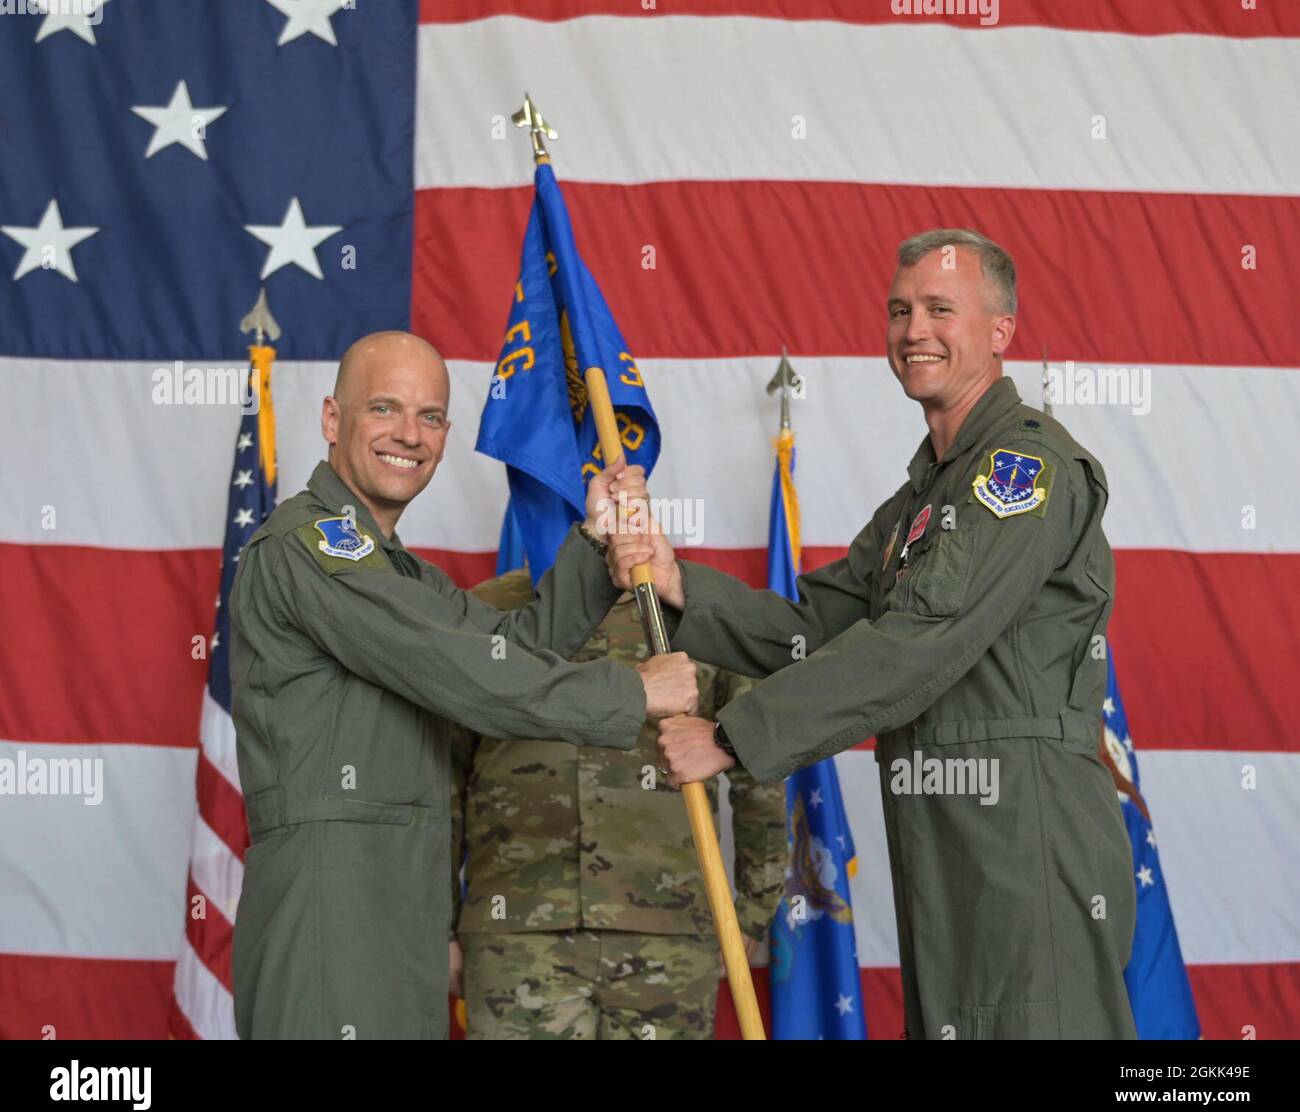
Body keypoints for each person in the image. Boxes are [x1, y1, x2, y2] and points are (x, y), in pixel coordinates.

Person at [612, 230, 1138, 1040]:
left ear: (1001, 331)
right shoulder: (919, 502)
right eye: (900, 310)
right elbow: (810, 628)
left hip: (1026, 827)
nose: (913, 330)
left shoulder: (1023, 471)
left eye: (939, 309)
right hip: (944, 831)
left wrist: (733, 734)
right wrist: (680, 582)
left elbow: (923, 638)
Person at [229, 331, 697, 1040]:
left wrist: (596, 539)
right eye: (384, 408)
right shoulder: (313, 546)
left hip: (398, 905)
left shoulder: (398, 573)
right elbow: (472, 675)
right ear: (332, 419)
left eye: (430, 416)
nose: (408, 435)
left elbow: (509, 647)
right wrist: (634, 693)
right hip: (331, 903)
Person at [448, 569, 788, 1040]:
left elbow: (756, 766)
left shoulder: (703, 610)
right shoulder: (487, 609)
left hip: (668, 930)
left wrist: (751, 913)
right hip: (517, 929)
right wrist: (442, 926)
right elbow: (446, 777)